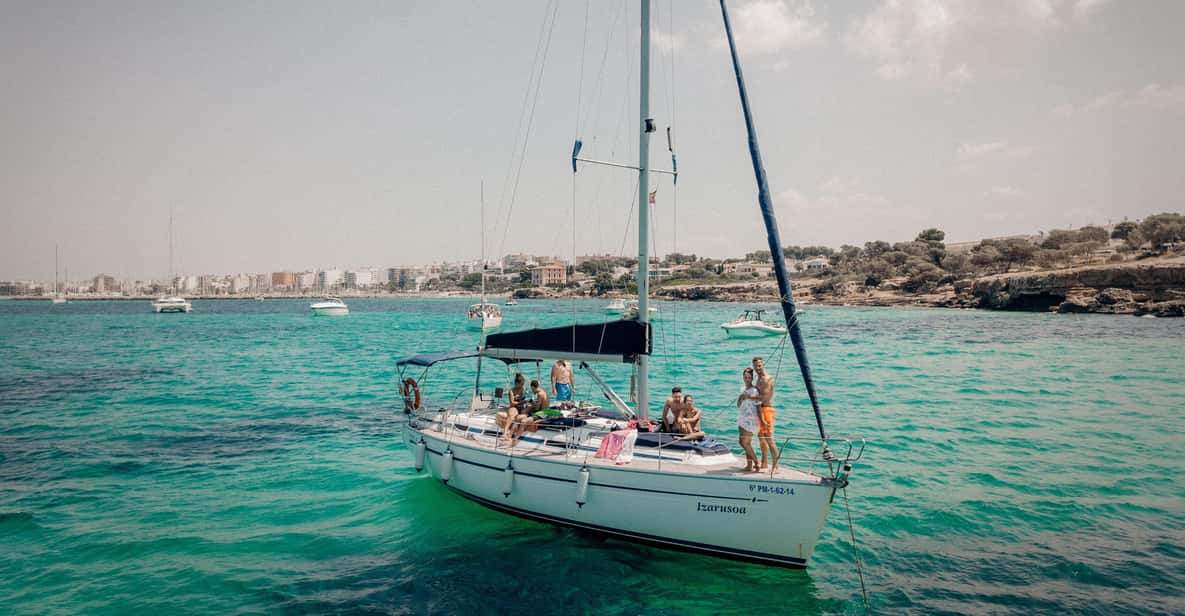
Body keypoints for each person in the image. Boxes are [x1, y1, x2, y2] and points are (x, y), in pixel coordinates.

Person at [753, 356, 778, 469]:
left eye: (759, 365)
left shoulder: (768, 379)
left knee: (769, 439)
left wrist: (748, 396)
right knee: (761, 438)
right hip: (759, 410)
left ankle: (775, 466)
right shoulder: (758, 379)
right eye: (755, 366)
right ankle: (764, 462)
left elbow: (764, 397)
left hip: (766, 410)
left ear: (763, 365)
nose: (757, 368)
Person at [736, 368, 761, 471]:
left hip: (751, 420)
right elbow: (738, 405)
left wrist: (762, 421)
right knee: (745, 443)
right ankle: (749, 465)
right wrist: (740, 397)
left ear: (752, 378)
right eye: (745, 377)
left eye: (749, 377)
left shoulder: (754, 390)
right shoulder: (742, 389)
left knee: (744, 443)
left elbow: (759, 406)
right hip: (742, 418)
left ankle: (756, 462)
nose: (747, 379)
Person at [510, 380, 550, 444]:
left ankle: (515, 439)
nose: (532, 391)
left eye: (532, 389)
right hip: (539, 412)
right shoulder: (543, 392)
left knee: (523, 421)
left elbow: (537, 408)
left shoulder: (540, 394)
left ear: (533, 387)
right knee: (518, 417)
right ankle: (510, 435)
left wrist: (529, 407)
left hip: (542, 414)